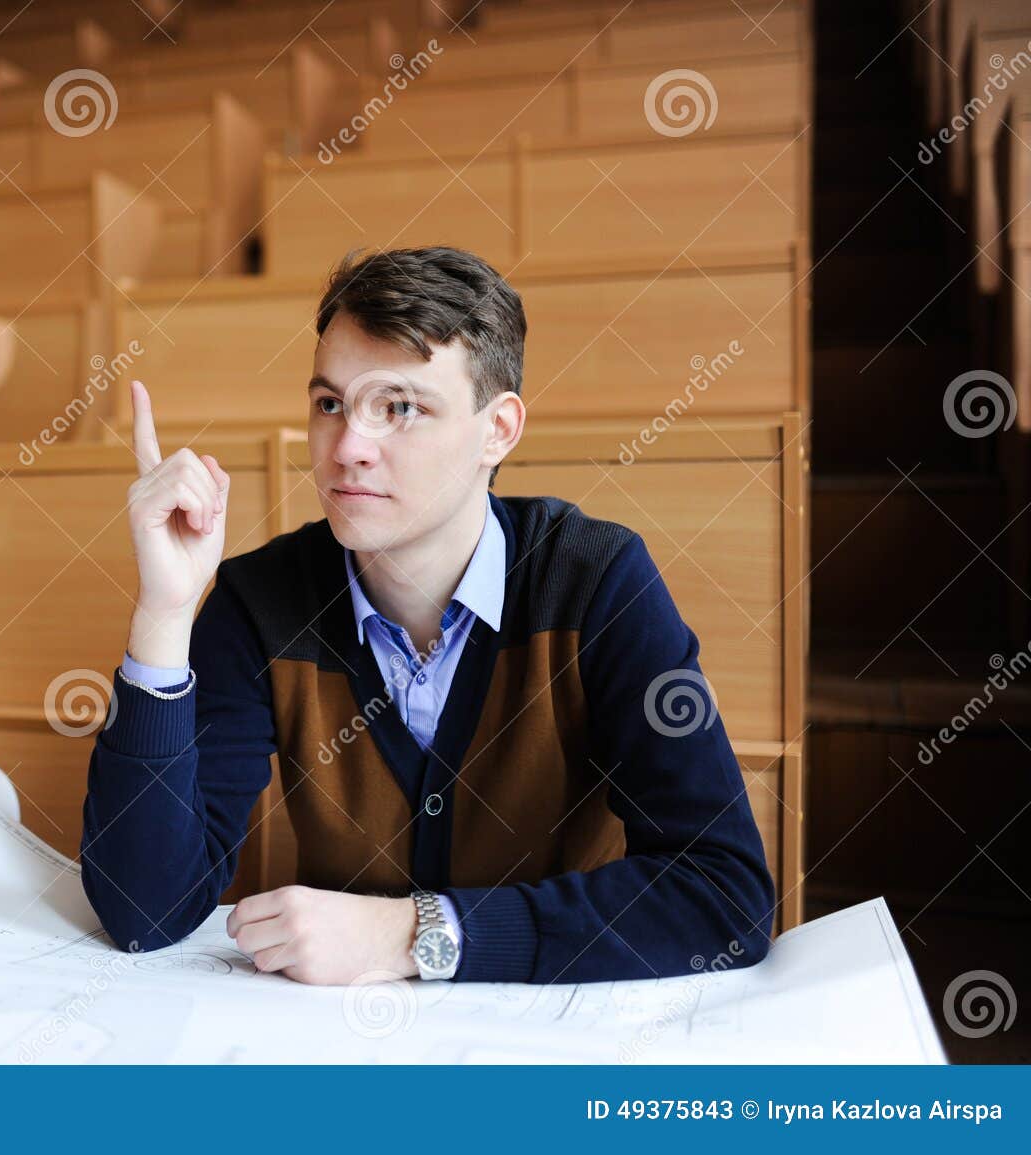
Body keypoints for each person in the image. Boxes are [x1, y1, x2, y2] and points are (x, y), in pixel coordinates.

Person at [80, 246, 775, 985]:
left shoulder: (598, 581)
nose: (348, 448)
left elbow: (723, 895)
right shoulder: (260, 600)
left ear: (498, 429)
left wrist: (414, 935)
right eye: (330, 404)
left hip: (557, 1033)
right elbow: (143, 913)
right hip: (336, 1034)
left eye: (400, 408)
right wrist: (165, 613)